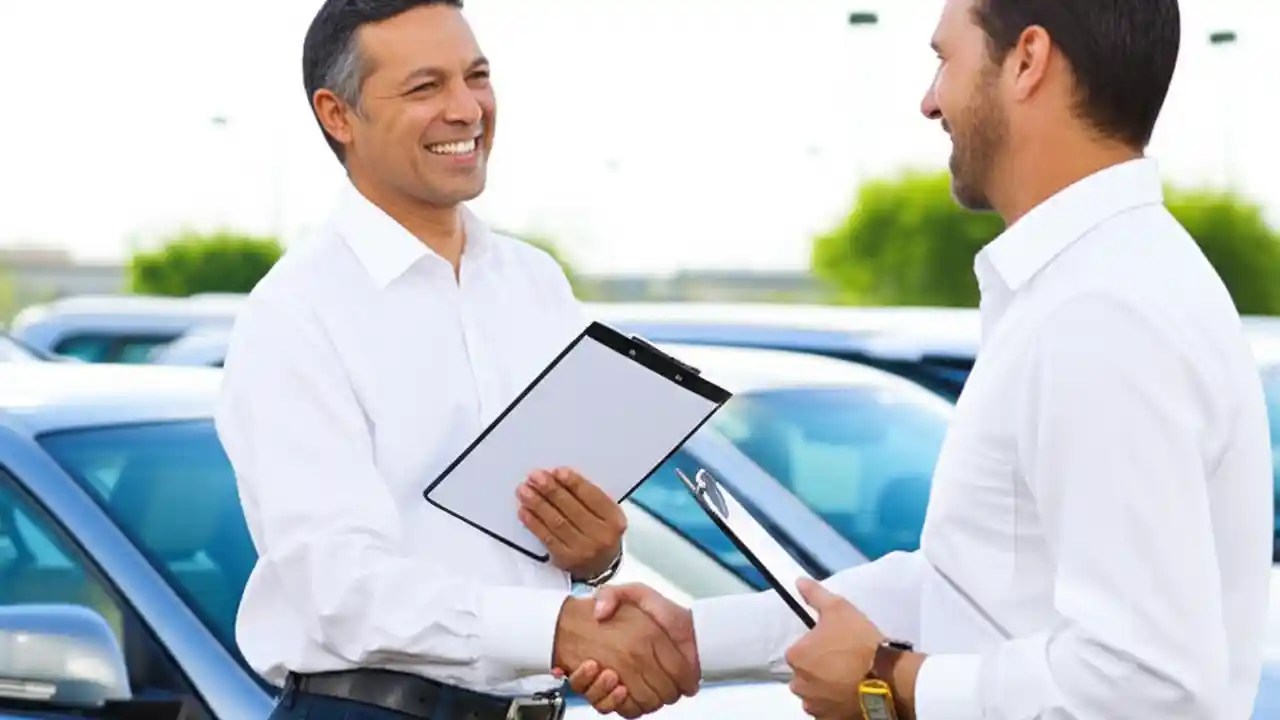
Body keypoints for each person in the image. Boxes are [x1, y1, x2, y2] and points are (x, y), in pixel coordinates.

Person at [566, 0, 1273, 718]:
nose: (930, 101)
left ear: (1027, 61)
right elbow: (960, 587)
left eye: (945, 59)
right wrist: (694, 638)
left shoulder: (1101, 310)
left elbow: (1146, 683)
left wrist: (888, 681)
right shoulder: (1092, 284)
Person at [214, 1, 696, 718]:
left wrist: (597, 559)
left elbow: (549, 555)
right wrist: (556, 632)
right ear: (337, 115)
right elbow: (340, 589)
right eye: (424, 88)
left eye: (476, 77)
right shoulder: (293, 315)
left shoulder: (534, 283)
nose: (466, 108)